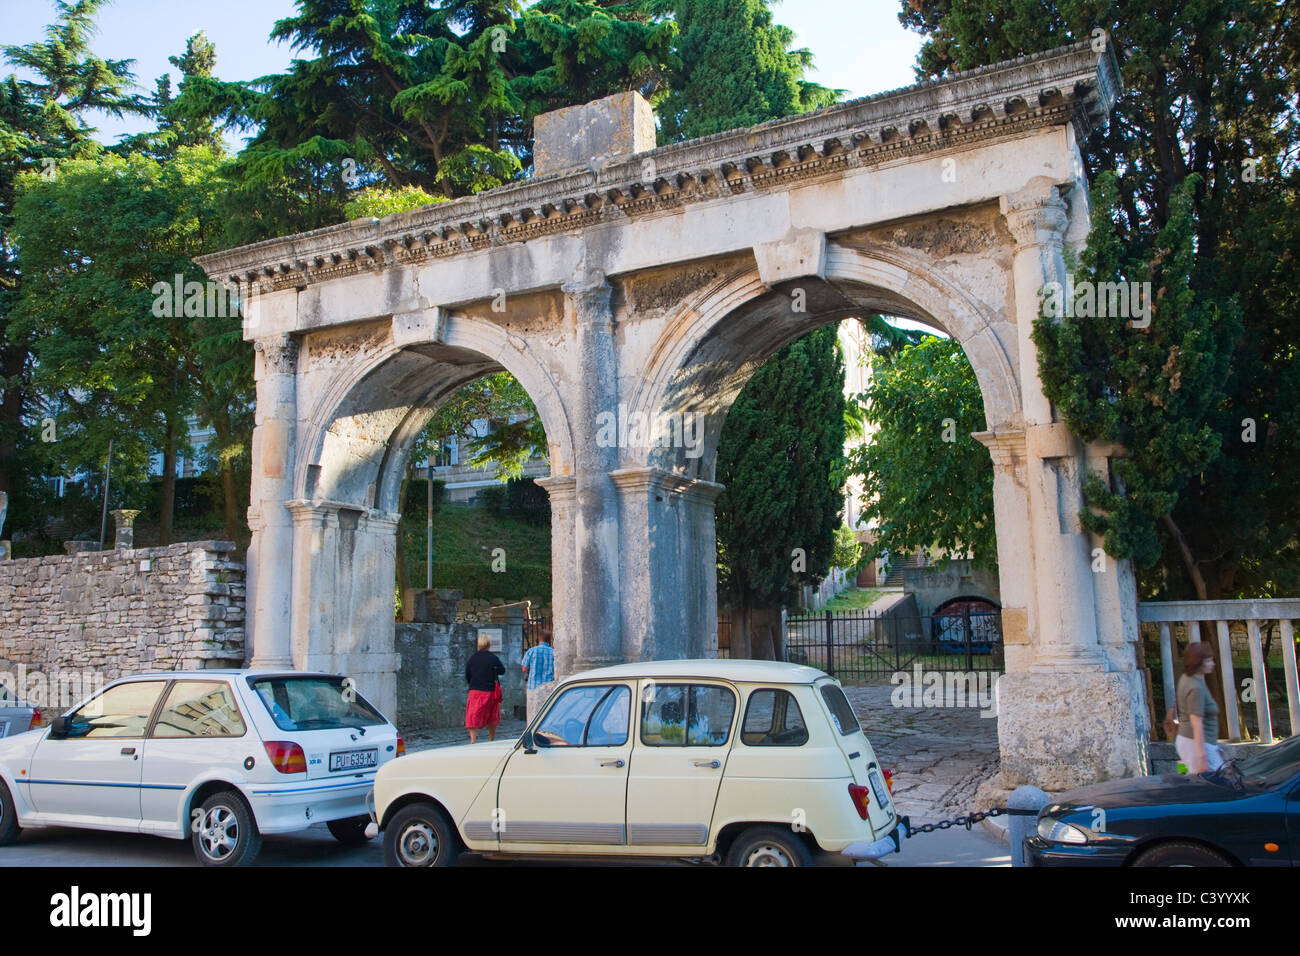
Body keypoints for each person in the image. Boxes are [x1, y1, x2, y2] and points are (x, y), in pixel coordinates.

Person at [1176, 641, 1224, 773]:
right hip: (1197, 744)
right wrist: (1202, 757)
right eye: (1208, 661)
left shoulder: (1187, 678)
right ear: (1197, 663)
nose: (1213, 664)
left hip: (1190, 742)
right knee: (1218, 783)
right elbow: (1196, 723)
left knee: (1194, 782)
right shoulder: (1195, 688)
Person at [464, 635, 505, 743]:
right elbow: (502, 671)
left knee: (473, 715)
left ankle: (473, 740)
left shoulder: (472, 658)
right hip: (490, 690)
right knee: (492, 715)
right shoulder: (493, 658)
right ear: (489, 645)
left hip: (475, 690)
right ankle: (491, 739)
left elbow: (467, 675)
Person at [521, 624, 556, 722]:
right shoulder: (553, 652)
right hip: (549, 686)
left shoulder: (531, 651)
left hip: (533, 686)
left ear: (539, 638)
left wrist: (529, 671)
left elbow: (524, 668)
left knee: (533, 714)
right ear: (549, 639)